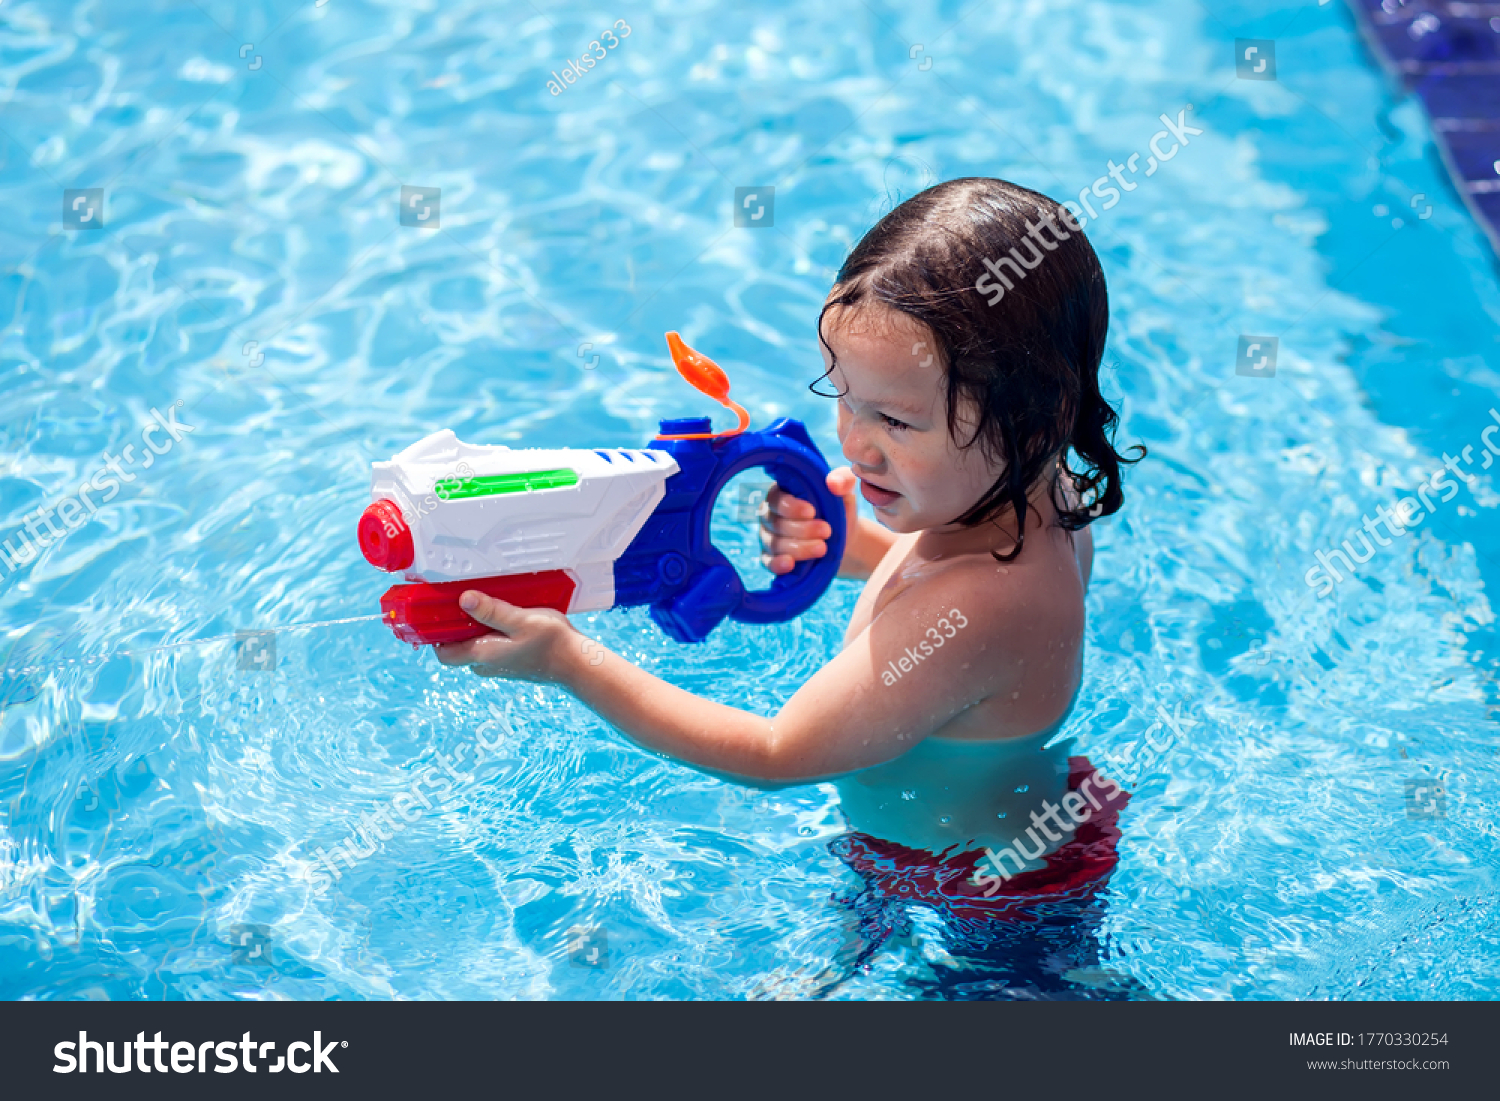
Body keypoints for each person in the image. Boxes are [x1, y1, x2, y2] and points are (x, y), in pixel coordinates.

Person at [436, 178, 1144, 992]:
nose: (857, 444)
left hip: (980, 900)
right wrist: (852, 547)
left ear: (1031, 420)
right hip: (986, 834)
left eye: (896, 420)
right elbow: (944, 580)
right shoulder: (1040, 498)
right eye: (844, 399)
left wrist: (570, 661)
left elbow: (776, 754)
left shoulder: (981, 606)